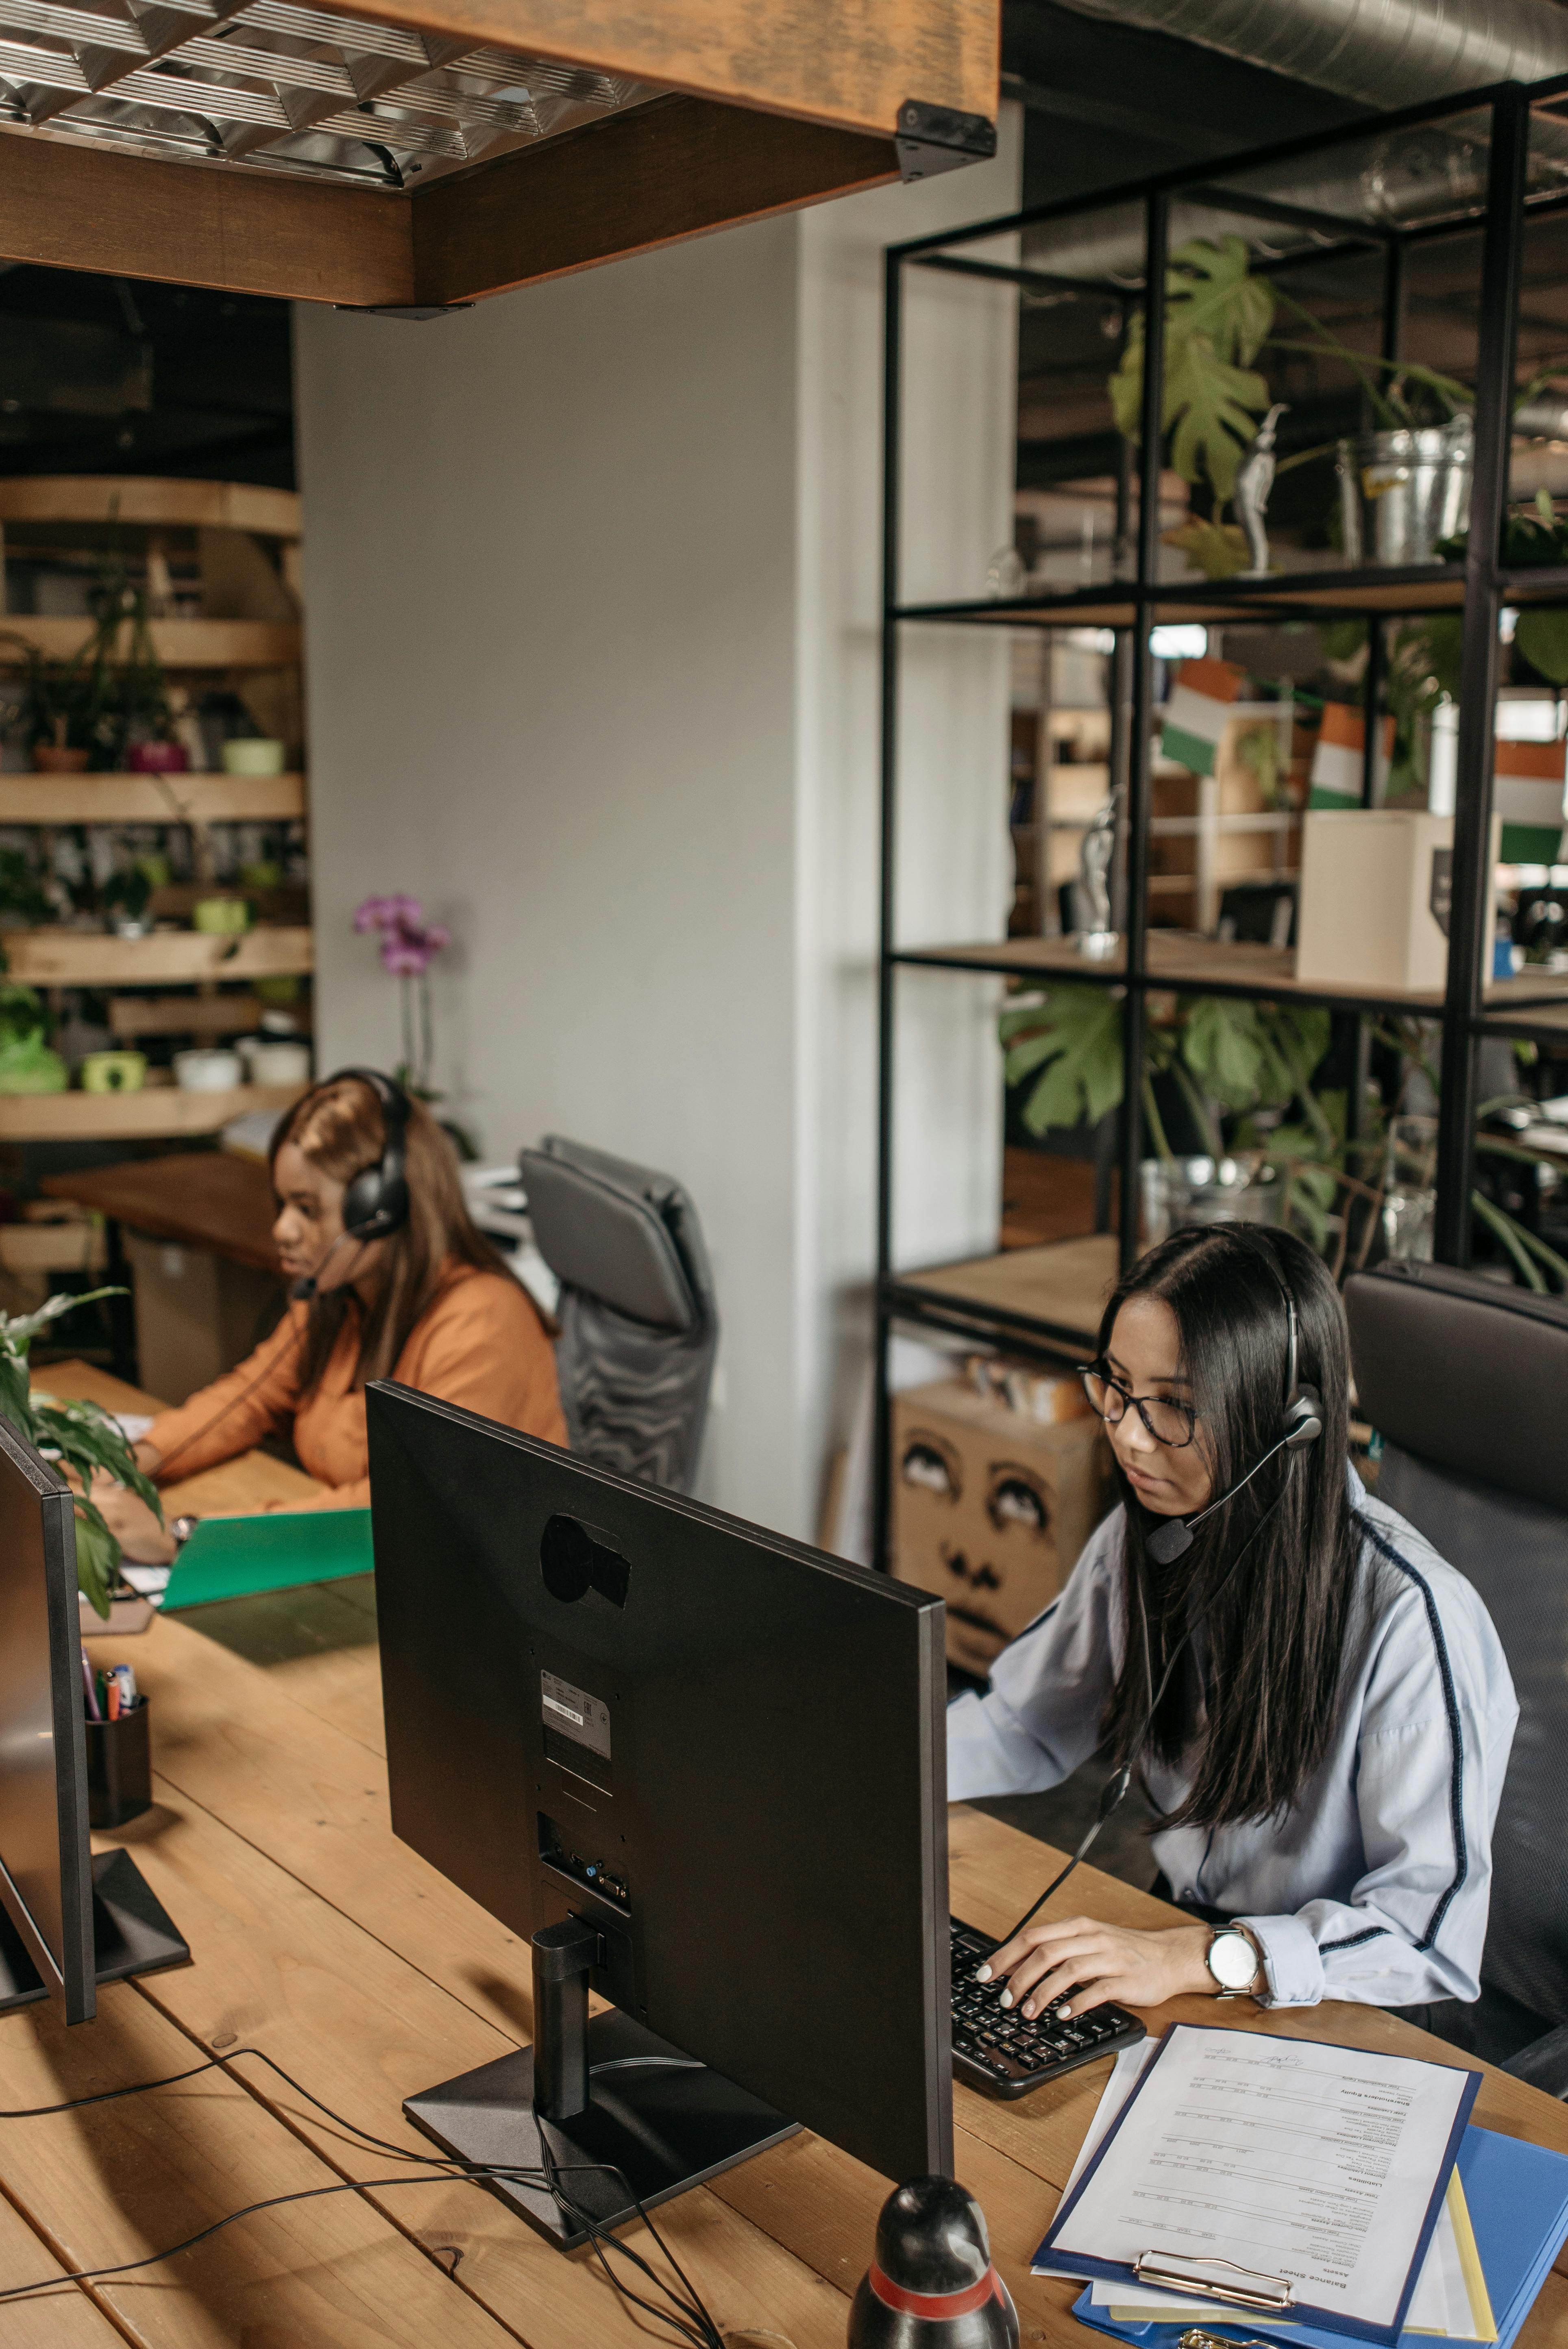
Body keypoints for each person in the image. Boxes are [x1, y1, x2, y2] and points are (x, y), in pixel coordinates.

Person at [949, 1225, 1517, 2021]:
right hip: (1176, 1940)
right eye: (1113, 1385)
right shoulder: (1147, 1535)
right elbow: (1023, 1721)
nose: (1126, 1432)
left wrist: (1196, 1955)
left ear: (1289, 1423)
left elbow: (1424, 1938)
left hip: (1330, 1995)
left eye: (1174, 1406)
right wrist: (862, 1772)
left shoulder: (1413, 1622)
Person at [93, 1069, 566, 1560]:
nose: (282, 1229)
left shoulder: (480, 1321)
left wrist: (186, 1537)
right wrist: (127, 1465)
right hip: (374, 1568)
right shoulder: (340, 1298)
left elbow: (402, 1506)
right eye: (283, 1203)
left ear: (380, 1211)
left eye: (307, 1208)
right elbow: (245, 1399)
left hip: (468, 1582)